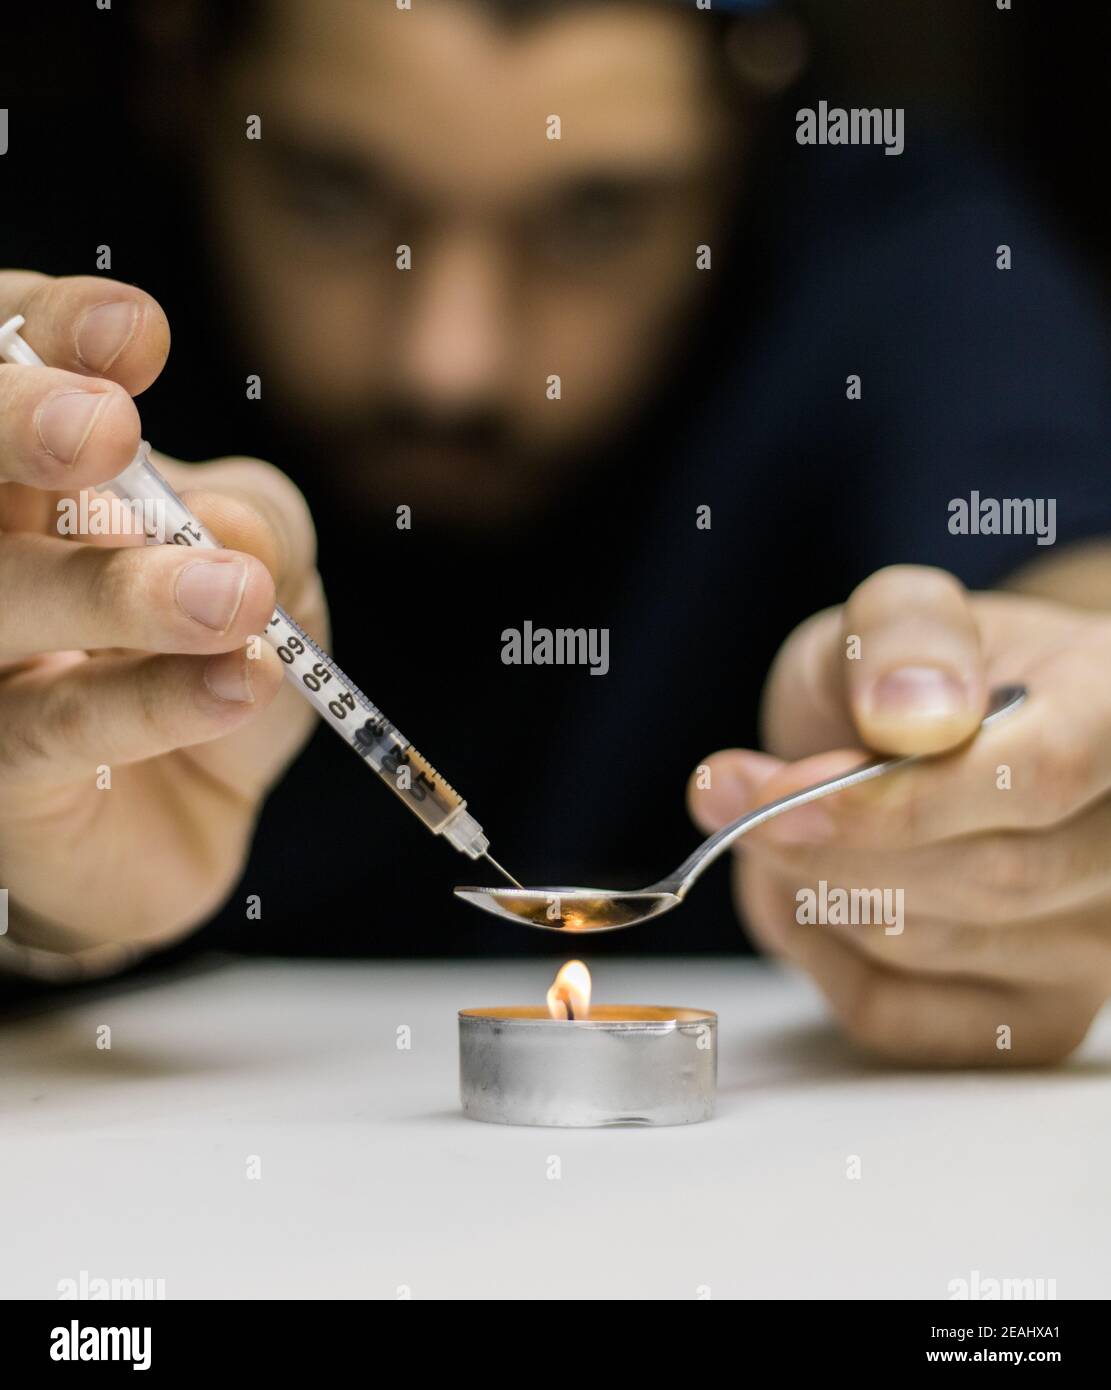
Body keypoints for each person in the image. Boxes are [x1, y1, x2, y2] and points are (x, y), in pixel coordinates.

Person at [1, 0, 1110, 1067]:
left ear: (745, 120)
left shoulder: (891, 257)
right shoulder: (51, 312)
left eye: (595, 219)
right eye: (332, 193)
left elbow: (1069, 590)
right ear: (184, 70)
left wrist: (1026, 765)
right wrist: (28, 894)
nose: (451, 361)